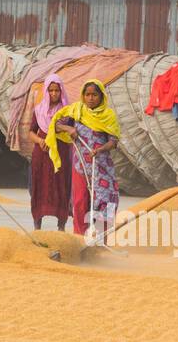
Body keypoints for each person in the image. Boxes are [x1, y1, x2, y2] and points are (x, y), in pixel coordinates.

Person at [45, 79, 120, 243]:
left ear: (101, 96)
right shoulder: (76, 111)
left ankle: (101, 240)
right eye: (87, 95)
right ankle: (79, 238)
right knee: (80, 202)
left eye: (94, 95)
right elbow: (56, 124)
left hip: (101, 166)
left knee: (104, 202)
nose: (91, 98)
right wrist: (69, 128)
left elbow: (114, 141)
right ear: (83, 96)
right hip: (80, 166)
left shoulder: (108, 115)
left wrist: (101, 149)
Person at [26, 74, 72, 230]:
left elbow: (73, 131)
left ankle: (61, 226)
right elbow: (31, 132)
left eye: (57, 91)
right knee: (40, 186)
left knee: (61, 186)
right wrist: (39, 141)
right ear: (46, 91)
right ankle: (37, 226)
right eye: (51, 90)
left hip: (61, 154)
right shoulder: (39, 110)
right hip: (42, 154)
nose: (54, 94)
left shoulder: (67, 112)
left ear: (61, 91)